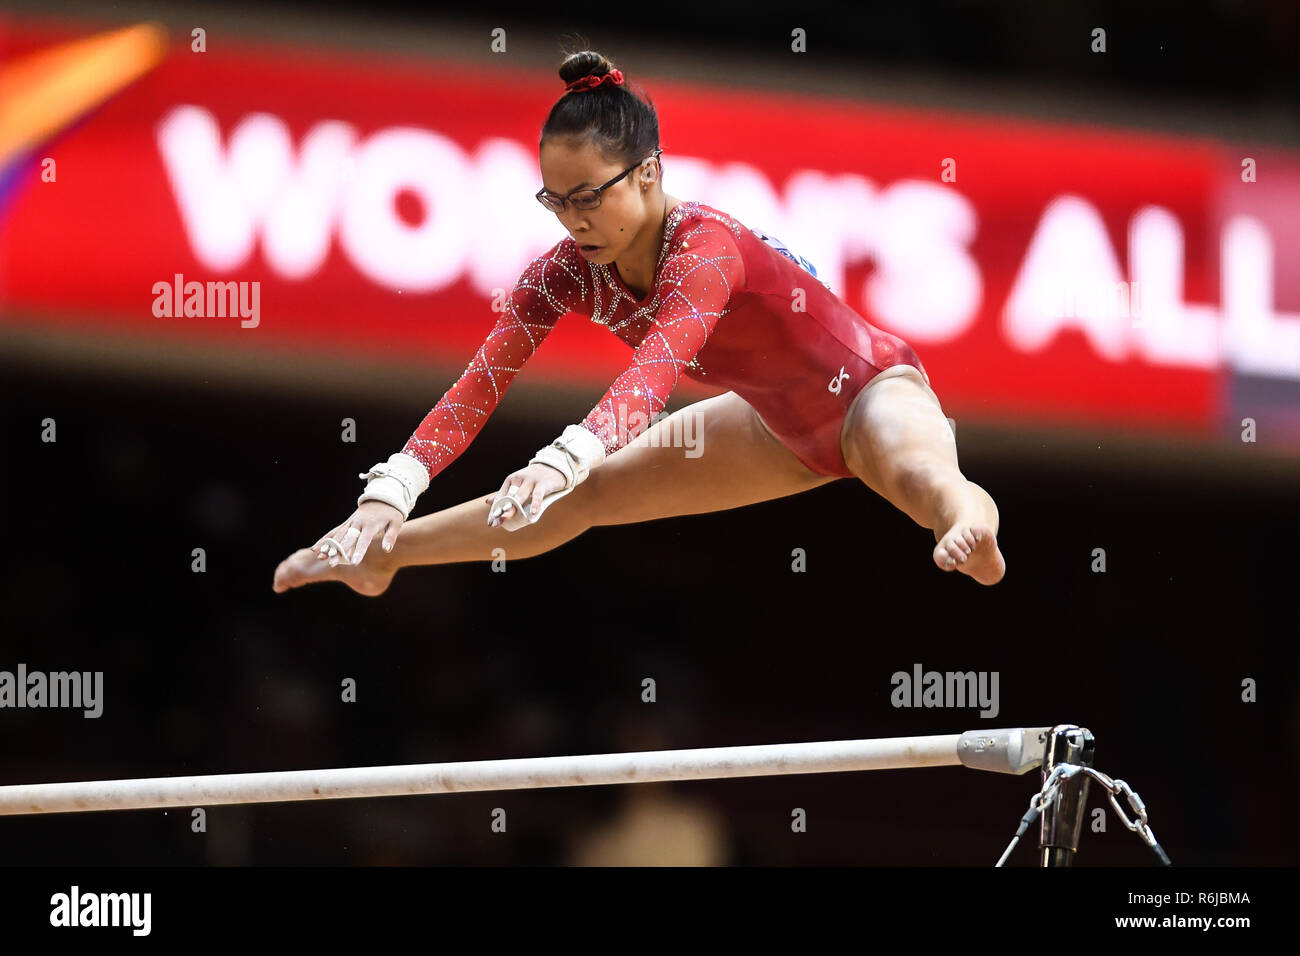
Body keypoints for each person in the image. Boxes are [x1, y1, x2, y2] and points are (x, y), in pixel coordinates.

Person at [273, 48, 1005, 596]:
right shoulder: (564, 272)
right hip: (772, 427)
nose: (574, 219)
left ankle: (970, 532)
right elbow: (478, 386)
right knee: (580, 497)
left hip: (873, 389)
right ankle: (381, 556)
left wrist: (559, 454)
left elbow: (653, 372)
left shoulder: (706, 251)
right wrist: (389, 490)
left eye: (588, 196)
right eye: (555, 200)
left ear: (648, 173)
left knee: (920, 476)